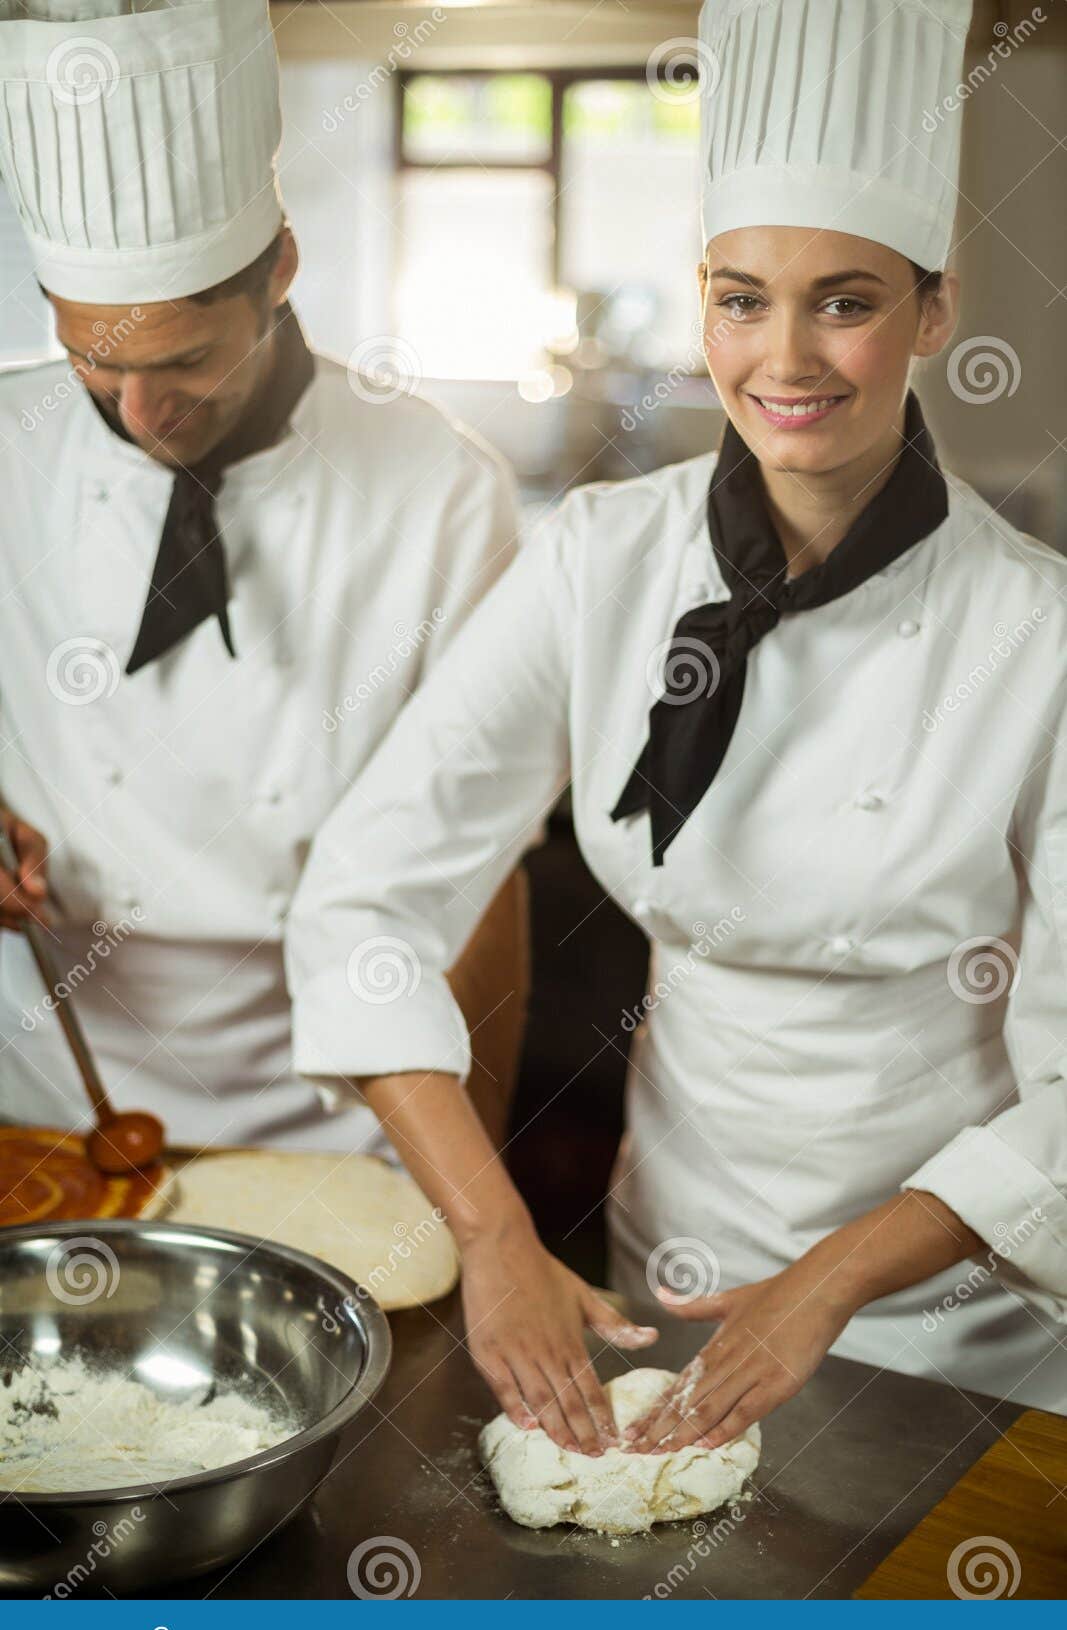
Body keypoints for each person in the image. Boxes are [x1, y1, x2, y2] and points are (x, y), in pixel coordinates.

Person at [286, 0, 1067, 1454]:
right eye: (736, 296)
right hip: (667, 1296)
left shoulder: (1041, 637)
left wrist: (829, 1281)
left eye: (843, 299)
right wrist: (495, 1233)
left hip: (967, 1337)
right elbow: (365, 894)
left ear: (932, 311)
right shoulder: (599, 556)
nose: (784, 357)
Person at [0, 0, 526, 1155]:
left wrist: (465, 1205)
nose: (140, 412)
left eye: (184, 359)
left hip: (338, 1125)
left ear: (279, 267)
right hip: (47, 1113)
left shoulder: (443, 488)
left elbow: (480, 875)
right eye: (94, 360)